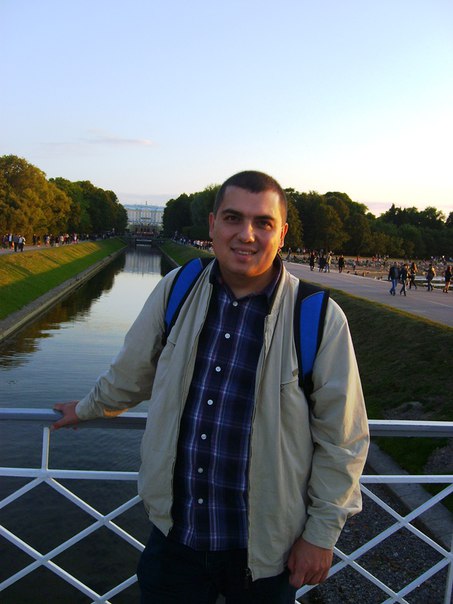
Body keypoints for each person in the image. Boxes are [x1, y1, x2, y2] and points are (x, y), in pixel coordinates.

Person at [52, 170, 369, 603]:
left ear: (282, 235)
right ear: (213, 224)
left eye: (263, 223)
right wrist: (88, 407)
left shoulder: (317, 317)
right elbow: (131, 373)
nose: (246, 234)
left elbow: (343, 438)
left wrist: (321, 535)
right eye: (233, 218)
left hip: (265, 550)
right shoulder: (178, 288)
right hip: (177, 538)